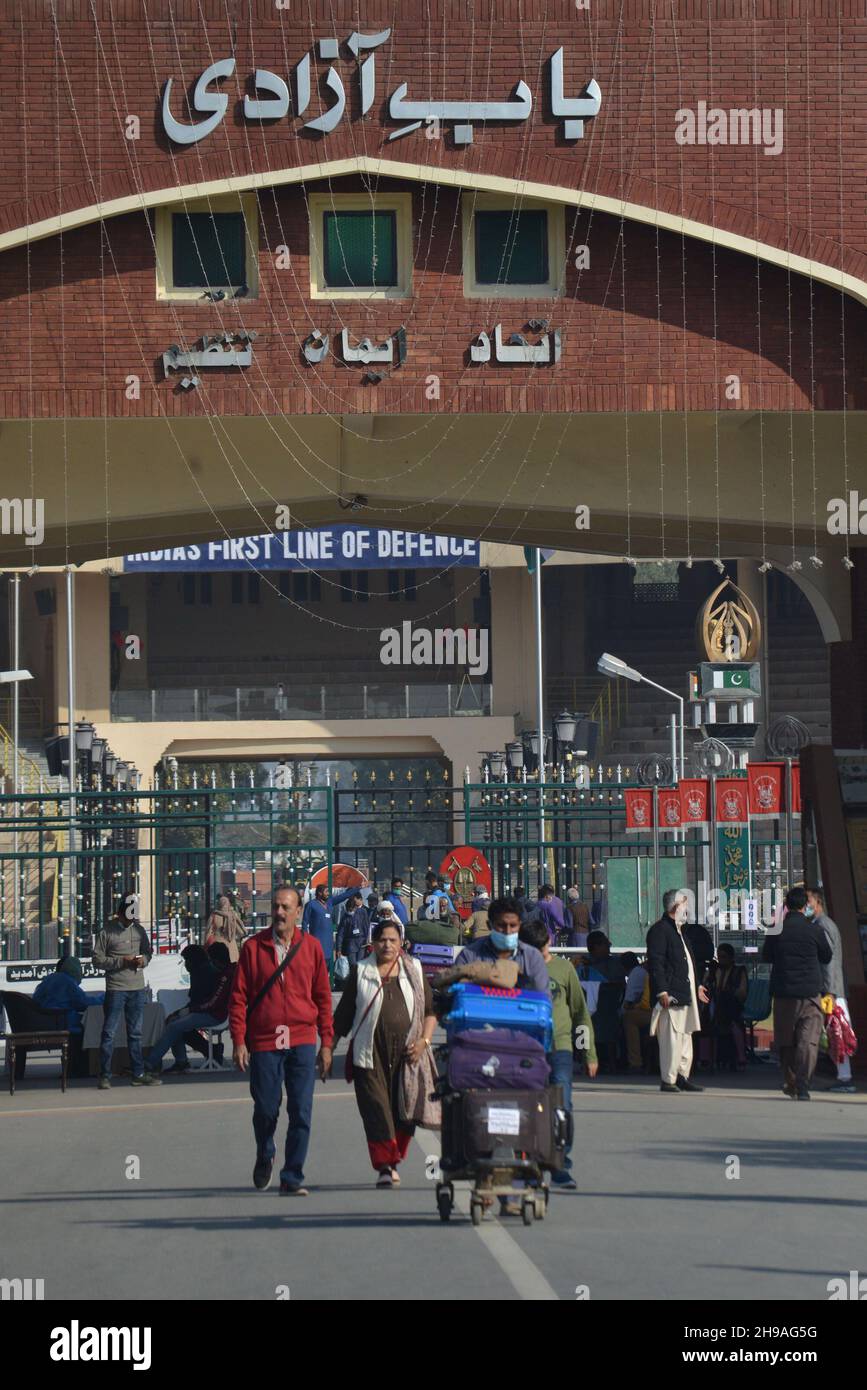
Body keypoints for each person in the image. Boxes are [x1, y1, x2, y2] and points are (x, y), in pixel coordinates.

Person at [229, 886, 334, 1195]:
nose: (280, 913)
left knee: (301, 1110)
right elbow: (238, 999)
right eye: (276, 907)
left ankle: (292, 1177)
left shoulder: (311, 947)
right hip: (264, 1042)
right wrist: (238, 1040)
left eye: (287, 907)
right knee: (265, 1109)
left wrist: (326, 1043)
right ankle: (265, 1151)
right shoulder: (252, 948)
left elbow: (323, 999)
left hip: (302, 1040)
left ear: (299, 911)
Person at [329, 920, 437, 1187]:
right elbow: (342, 1018)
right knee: (376, 1108)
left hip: (408, 1053)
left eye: (392, 940)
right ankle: (386, 1166)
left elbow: (430, 1012)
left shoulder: (414, 970)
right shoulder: (361, 971)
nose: (387, 945)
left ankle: (395, 1156)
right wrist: (327, 1050)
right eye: (381, 940)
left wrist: (424, 1041)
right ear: (373, 944)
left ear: (401, 943)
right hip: (370, 1053)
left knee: (404, 1111)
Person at [519, 920, 597, 1189]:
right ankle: (529, 1164)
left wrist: (589, 1054)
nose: (538, 957)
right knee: (527, 1107)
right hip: (527, 1048)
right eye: (532, 951)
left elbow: (580, 1013)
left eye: (541, 951)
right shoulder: (517, 969)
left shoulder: (564, 969)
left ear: (549, 943)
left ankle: (561, 1164)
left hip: (560, 1047)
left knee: (562, 1107)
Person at [762, 886, 832, 1100]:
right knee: (808, 1040)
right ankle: (803, 1085)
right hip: (811, 993)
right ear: (805, 906)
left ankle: (791, 1080)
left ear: (786, 905)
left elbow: (767, 957)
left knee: (786, 1040)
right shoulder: (815, 930)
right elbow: (826, 956)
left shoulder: (776, 929)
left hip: (784, 993)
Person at [92, 896, 162, 1090]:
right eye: (127, 917)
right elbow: (97, 960)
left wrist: (143, 961)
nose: (130, 921)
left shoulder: (139, 930)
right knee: (109, 1033)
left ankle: (138, 1073)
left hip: (137, 988)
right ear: (120, 913)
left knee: (136, 1033)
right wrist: (122, 961)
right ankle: (105, 1075)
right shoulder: (107, 932)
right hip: (116, 988)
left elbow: (148, 952)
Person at [646, 889, 710, 1094]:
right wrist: (662, 991)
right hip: (672, 993)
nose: (687, 907)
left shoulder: (680, 931)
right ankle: (668, 1079)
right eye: (684, 903)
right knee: (671, 1038)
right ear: (675, 906)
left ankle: (682, 1076)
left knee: (685, 1037)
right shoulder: (660, 930)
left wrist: (697, 985)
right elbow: (657, 963)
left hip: (686, 992)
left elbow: (688, 963)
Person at [145, 943, 230, 1075]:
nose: (185, 965)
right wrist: (180, 1013)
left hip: (213, 1014)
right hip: (205, 1011)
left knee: (174, 1026)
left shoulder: (205, 973)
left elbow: (205, 1002)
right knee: (175, 1024)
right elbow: (196, 1002)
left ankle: (150, 1063)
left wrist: (183, 1013)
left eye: (187, 961)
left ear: (194, 960)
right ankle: (199, 1055)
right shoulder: (200, 971)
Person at [807, 887, 856, 1093]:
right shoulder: (821, 925)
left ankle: (845, 1078)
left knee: (837, 1033)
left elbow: (828, 962)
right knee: (835, 1034)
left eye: (808, 900)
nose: (806, 904)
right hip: (833, 989)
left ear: (818, 902)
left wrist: (829, 992)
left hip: (831, 991)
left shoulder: (823, 926)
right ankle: (842, 1075)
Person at [455, 896, 549, 993]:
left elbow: (542, 998)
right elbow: (458, 995)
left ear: (520, 925)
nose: (507, 931)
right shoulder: (469, 955)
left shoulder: (532, 957)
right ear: (489, 925)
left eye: (513, 926)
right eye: (501, 925)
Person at [33, 957, 104, 1079]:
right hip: (63, 1022)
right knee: (89, 1029)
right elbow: (83, 1002)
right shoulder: (67, 982)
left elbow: (36, 1000)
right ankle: (81, 1070)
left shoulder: (48, 979)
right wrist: (104, 997)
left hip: (45, 1022)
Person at [704, 944, 748, 1070]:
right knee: (707, 1014)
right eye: (719, 957)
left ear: (731, 957)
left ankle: (740, 1057)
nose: (721, 960)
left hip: (731, 1005)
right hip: (716, 1005)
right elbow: (705, 985)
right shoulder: (714, 971)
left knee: (731, 1015)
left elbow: (742, 992)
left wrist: (726, 992)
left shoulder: (739, 971)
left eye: (723, 957)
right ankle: (705, 1057)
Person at [621, 951, 652, 1073]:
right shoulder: (645, 972)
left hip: (652, 1012)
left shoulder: (638, 973)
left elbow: (634, 1002)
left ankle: (635, 1062)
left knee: (628, 1018)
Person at [204, 894, 247, 963]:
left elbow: (208, 931)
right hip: (231, 944)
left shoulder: (214, 915)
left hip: (217, 944)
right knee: (233, 964)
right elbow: (241, 930)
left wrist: (206, 944)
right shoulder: (233, 915)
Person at [302, 883, 335, 971]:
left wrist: (357, 888)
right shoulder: (311, 905)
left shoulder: (329, 904)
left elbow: (343, 896)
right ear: (320, 893)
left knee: (326, 969)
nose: (328, 893)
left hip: (328, 945)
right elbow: (305, 922)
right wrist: (305, 938)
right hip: (317, 943)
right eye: (326, 891)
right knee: (317, 969)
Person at [336, 891, 371, 966]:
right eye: (348, 910)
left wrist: (367, 940)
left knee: (361, 964)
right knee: (353, 964)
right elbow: (340, 934)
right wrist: (339, 948)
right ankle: (353, 976)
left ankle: (358, 977)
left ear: (355, 908)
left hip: (362, 942)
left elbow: (367, 926)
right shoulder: (345, 918)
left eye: (351, 910)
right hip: (351, 943)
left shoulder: (362, 912)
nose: (350, 912)